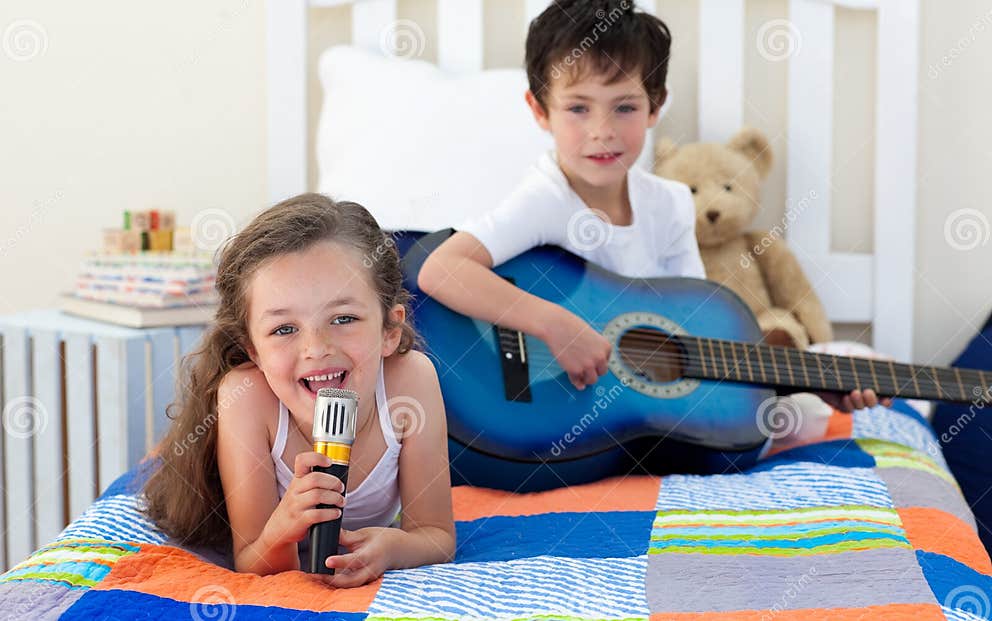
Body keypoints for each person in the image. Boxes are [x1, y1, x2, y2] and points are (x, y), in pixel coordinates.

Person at [418, 0, 881, 435]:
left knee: (797, 414)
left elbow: (695, 331)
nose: (602, 131)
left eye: (625, 107)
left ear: (656, 107)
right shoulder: (546, 199)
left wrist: (798, 377)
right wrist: (553, 324)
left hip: (635, 402)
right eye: (578, 108)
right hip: (560, 408)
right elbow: (441, 269)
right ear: (540, 110)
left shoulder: (671, 203)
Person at [144, 194, 455, 587]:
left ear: (389, 330)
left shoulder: (411, 381)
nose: (317, 348)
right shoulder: (247, 399)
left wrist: (395, 549)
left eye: (343, 318)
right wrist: (283, 527)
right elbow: (252, 561)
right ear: (252, 349)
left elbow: (436, 536)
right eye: (284, 329)